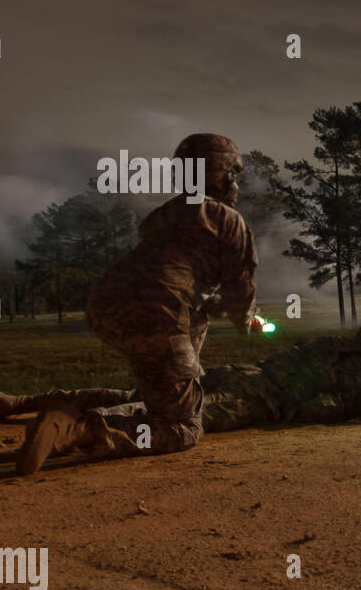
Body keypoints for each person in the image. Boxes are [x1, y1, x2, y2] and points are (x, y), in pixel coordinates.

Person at [17, 133, 258, 475]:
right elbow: (240, 290)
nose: (236, 184)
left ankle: (63, 406)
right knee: (183, 427)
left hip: (108, 306)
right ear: (221, 175)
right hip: (160, 314)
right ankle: (80, 430)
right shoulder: (228, 221)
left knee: (165, 378)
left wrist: (207, 306)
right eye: (233, 174)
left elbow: (172, 275)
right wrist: (244, 319)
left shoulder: (164, 216)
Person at [0, 318, 361, 467]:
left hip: (240, 373)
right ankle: (83, 430)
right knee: (178, 422)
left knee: (154, 391)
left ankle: (30, 403)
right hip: (255, 400)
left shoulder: (332, 344)